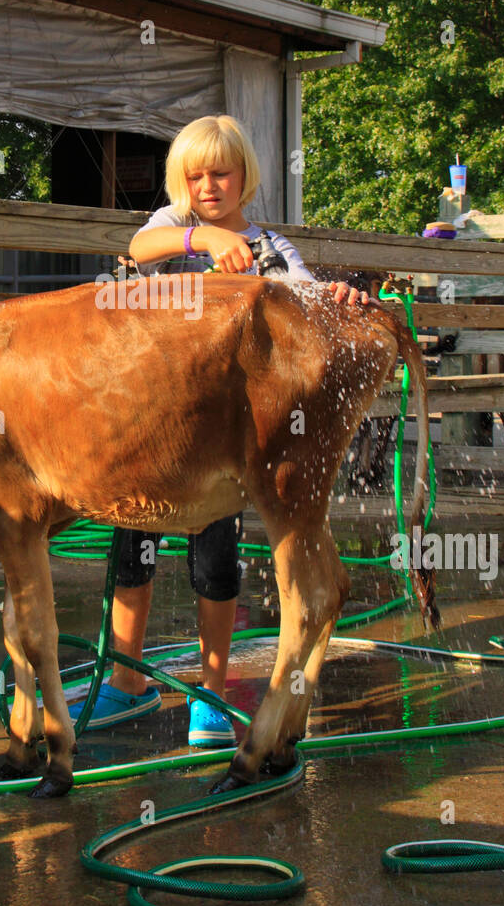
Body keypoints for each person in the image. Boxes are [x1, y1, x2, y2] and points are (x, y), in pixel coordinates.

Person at [69, 114, 372, 746]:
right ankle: (127, 680)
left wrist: (338, 299)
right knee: (133, 550)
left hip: (224, 436)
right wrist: (202, 240)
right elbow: (136, 248)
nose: (209, 185)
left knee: (216, 559)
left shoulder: (269, 246)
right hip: (153, 422)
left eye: (222, 173)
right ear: (181, 181)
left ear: (245, 178)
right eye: (196, 175)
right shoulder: (171, 228)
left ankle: (211, 689)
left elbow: (306, 298)